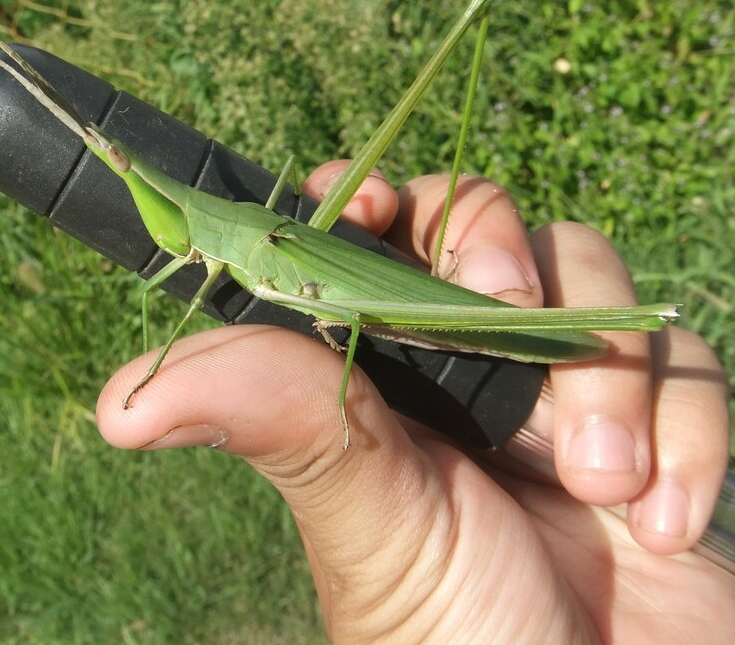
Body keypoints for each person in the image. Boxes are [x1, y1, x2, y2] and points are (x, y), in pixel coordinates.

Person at [96, 163, 735, 644]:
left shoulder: (239, 245)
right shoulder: (227, 227)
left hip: (362, 294)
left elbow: (171, 298)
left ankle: (637, 319)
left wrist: (344, 398)